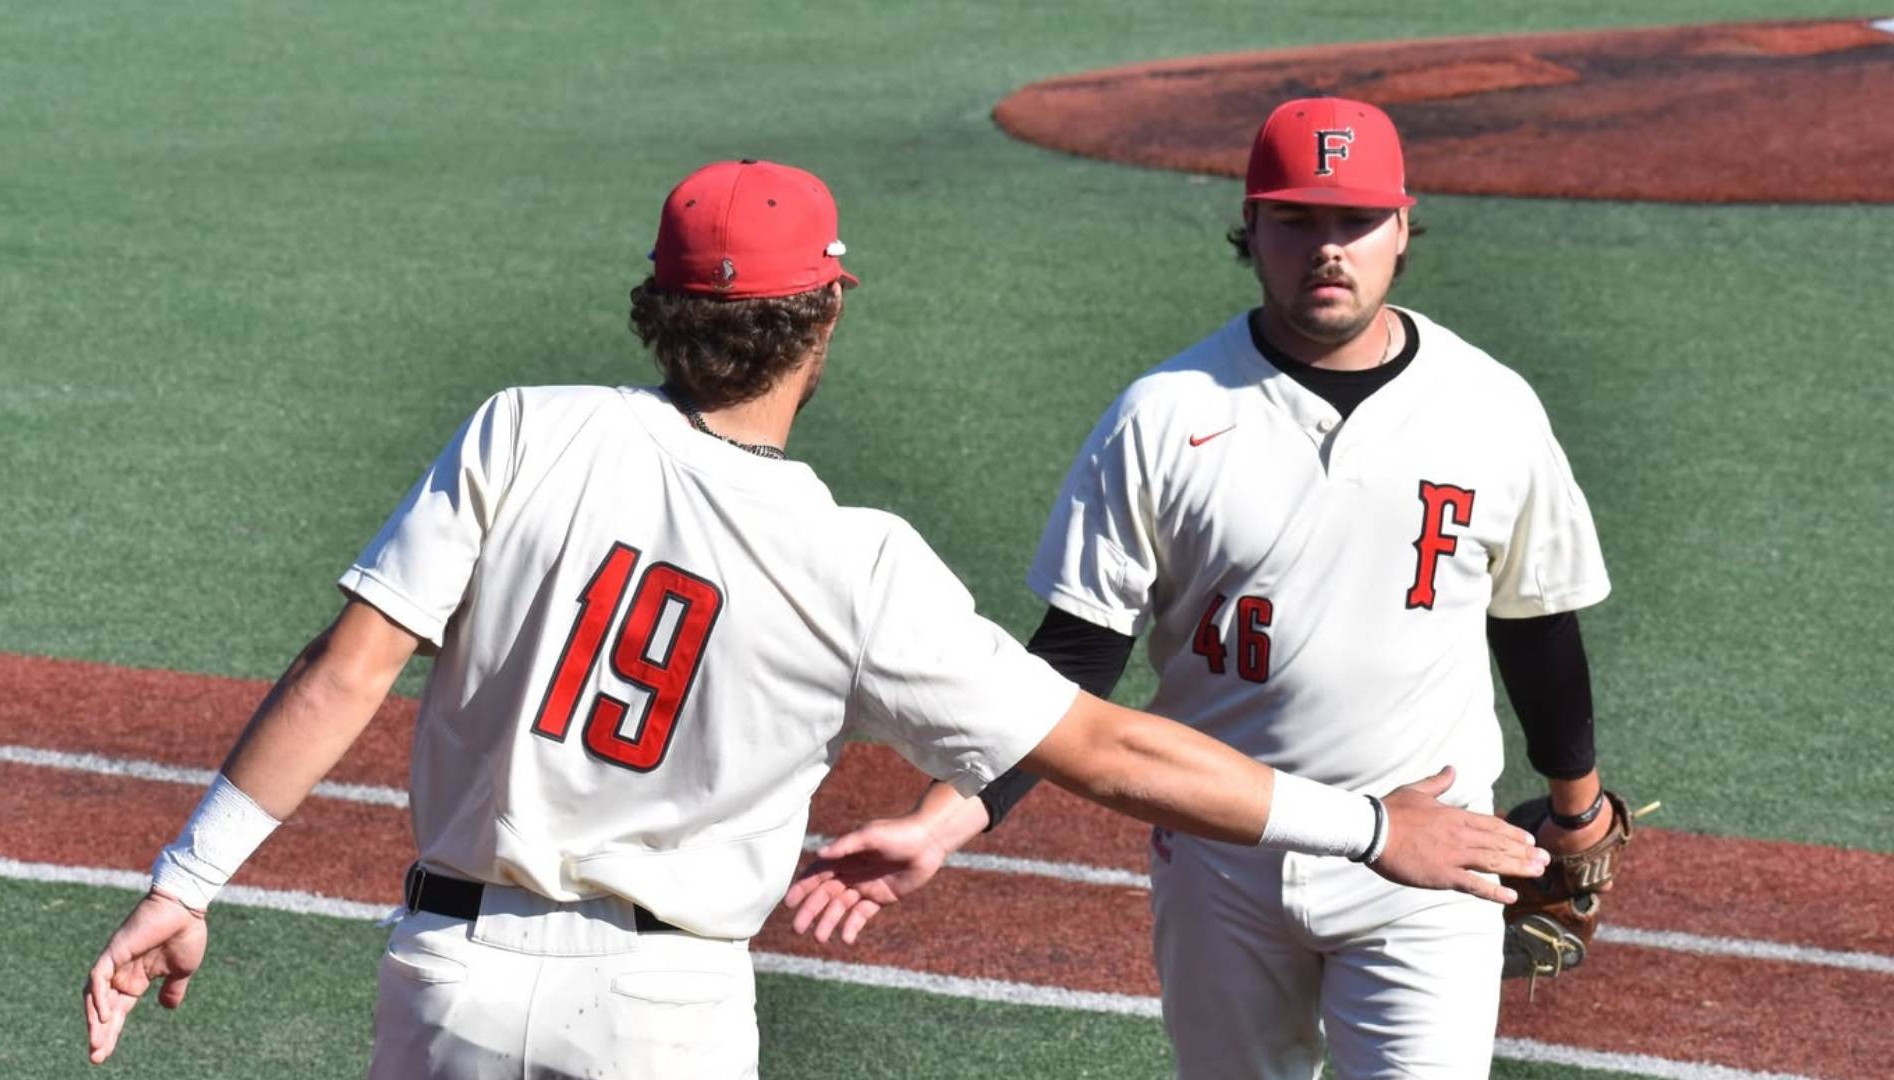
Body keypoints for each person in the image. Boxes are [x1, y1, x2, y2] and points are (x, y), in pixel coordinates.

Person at [81, 157, 1547, 1079]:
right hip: (661, 1013)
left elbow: (347, 673)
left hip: (446, 985)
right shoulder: (854, 564)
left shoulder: (519, 432)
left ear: (659, 305)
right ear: (825, 319)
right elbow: (1107, 747)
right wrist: (1371, 830)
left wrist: (187, 880)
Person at [784, 98, 1614, 1079]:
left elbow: (1536, 622)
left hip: (1430, 859)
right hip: (1223, 862)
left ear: (1402, 226)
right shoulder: (1166, 416)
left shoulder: (1491, 407)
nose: (1328, 249)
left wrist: (1579, 811)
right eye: (1297, 220)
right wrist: (942, 821)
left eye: (1353, 221)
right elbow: (1073, 664)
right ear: (1251, 226)